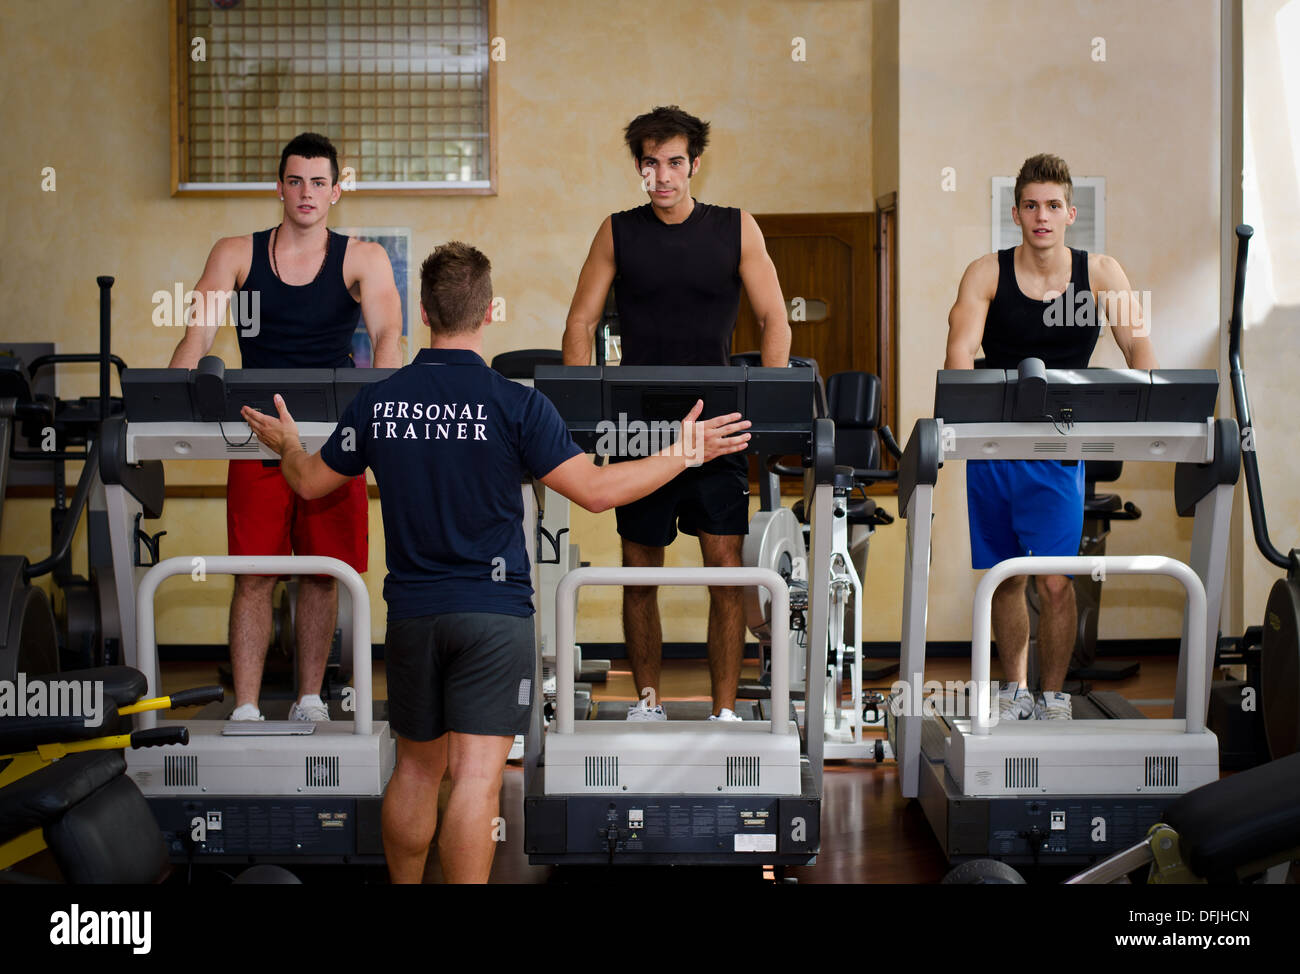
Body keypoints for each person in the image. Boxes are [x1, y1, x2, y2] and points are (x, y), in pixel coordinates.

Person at [242, 241, 752, 883]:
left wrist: (289, 444)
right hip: (494, 617)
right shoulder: (518, 405)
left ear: (424, 311)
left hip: (414, 617)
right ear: (489, 314)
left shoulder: (380, 401)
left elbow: (310, 483)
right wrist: (684, 454)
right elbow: (595, 493)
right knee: (478, 779)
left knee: (417, 769)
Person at [562, 105, 792, 721]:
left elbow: (775, 319)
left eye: (673, 163)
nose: (661, 176)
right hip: (640, 429)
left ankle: (722, 712)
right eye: (649, 164)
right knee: (639, 576)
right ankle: (647, 705)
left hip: (717, 429)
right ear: (638, 166)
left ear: (693, 164)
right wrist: (583, 418)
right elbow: (581, 322)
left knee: (725, 571)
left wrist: (763, 409)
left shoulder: (737, 228)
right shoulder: (617, 231)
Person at [168, 132, 402, 722]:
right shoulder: (235, 253)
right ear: (279, 187)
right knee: (253, 576)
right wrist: (167, 396)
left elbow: (387, 340)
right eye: (295, 181)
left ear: (336, 191)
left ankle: (309, 700)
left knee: (323, 575)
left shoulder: (363, 258)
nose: (306, 192)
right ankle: (245, 707)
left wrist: (388, 409)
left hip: (333, 434)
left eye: (319, 182)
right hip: (256, 430)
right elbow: (199, 333)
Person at [945, 153, 1157, 721]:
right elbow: (961, 351)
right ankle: (1015, 692)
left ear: (1071, 213)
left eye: (1053, 206)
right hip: (994, 446)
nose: (1042, 216)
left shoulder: (1101, 273)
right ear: (1015, 213)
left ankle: (1055, 697)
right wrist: (966, 424)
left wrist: (1144, 408)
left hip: (1061, 448)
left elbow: (1138, 346)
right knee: (1004, 579)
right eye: (1032, 206)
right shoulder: (986, 272)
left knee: (1057, 583)